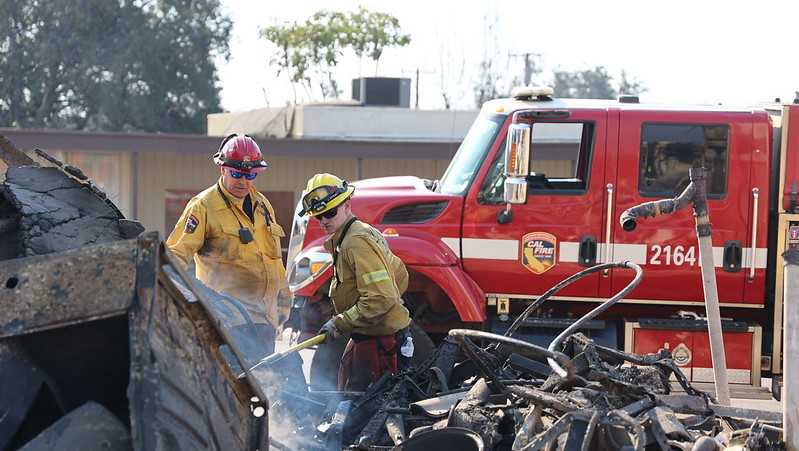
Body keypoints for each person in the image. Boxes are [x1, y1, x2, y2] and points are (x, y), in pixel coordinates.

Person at [166, 134, 291, 354]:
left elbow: (274, 261)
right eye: (237, 174)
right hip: (228, 324)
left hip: (265, 323)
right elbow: (173, 258)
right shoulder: (203, 207)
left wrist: (283, 307)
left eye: (251, 174)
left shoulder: (263, 206)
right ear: (222, 169)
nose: (243, 181)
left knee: (265, 384)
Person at [298, 173, 413, 390]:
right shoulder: (351, 236)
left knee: (363, 414)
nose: (323, 221)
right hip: (371, 337)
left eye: (329, 213)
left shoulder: (355, 241)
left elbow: (381, 297)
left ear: (347, 205)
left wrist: (339, 322)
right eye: (318, 216)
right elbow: (399, 278)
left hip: (382, 344)